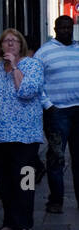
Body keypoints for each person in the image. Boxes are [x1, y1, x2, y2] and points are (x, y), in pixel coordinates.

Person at [0, 29, 45, 230]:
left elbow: (26, 90)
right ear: (0, 46)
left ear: (21, 46)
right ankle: (9, 222)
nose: (9, 44)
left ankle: (25, 224)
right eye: (5, 41)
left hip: (25, 137)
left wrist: (15, 67)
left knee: (24, 181)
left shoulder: (32, 65)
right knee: (5, 182)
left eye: (14, 41)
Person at [33, 15, 79, 215]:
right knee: (56, 159)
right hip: (57, 112)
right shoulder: (44, 53)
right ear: (55, 29)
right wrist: (48, 106)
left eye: (69, 28)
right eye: (62, 28)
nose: (66, 31)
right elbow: (36, 83)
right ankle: (56, 201)